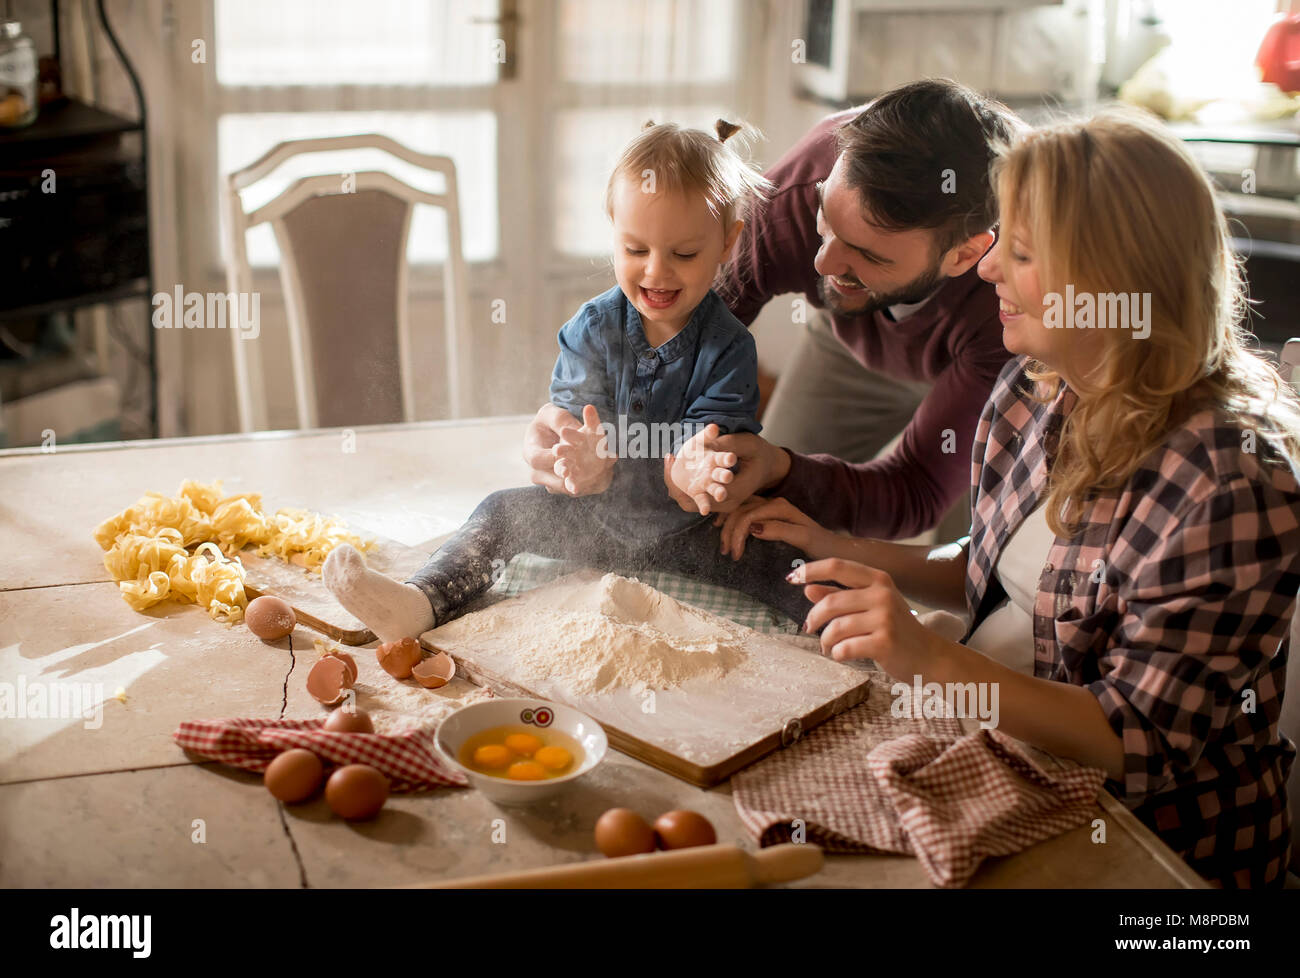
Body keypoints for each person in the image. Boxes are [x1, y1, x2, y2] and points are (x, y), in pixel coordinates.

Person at [717, 108, 1299, 887]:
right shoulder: (1041, 382)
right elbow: (1000, 573)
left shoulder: (1233, 481)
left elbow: (1136, 740)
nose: (986, 270)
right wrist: (842, 548)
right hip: (1000, 747)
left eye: (1019, 254)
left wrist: (924, 656)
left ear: (1110, 281)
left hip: (1152, 848)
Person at [322, 120, 815, 642]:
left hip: (690, 531)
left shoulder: (730, 346)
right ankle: (422, 600)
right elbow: (575, 420)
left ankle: (835, 622)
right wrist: (578, 459)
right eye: (635, 249)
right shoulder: (594, 326)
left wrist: (699, 475)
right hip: (591, 519)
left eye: (684, 254)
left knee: (775, 551)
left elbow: (710, 443)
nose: (656, 272)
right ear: (613, 231)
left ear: (727, 243)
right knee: (500, 512)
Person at [524, 78, 1021, 541]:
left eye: (868, 254)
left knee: (975, 552)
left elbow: (917, 490)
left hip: (982, 364)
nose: (822, 263)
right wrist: (576, 432)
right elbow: (662, 354)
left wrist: (783, 467)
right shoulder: (791, 199)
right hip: (848, 332)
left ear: (966, 254)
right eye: (825, 221)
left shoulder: (1016, 305)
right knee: (748, 496)